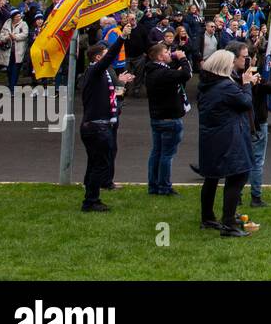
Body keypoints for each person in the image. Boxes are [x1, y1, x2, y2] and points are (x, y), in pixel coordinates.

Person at [197, 47, 259, 236]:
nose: (233, 65)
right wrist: (247, 84)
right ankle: (229, 223)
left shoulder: (207, 85)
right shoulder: (225, 86)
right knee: (238, 175)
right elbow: (246, 103)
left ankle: (208, 218)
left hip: (211, 136)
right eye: (231, 62)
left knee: (212, 177)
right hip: (228, 137)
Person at [80, 41, 134, 211]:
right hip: (97, 127)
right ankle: (91, 201)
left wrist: (121, 83)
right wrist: (122, 38)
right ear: (97, 58)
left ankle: (90, 198)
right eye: (105, 53)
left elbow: (112, 94)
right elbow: (110, 56)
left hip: (98, 125)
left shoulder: (101, 74)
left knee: (94, 163)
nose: (110, 56)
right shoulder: (95, 71)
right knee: (99, 165)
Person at [144, 41, 191, 196]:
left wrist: (176, 63)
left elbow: (174, 74)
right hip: (169, 118)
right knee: (166, 155)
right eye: (166, 51)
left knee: (156, 152)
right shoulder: (163, 73)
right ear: (159, 56)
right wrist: (183, 58)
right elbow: (185, 74)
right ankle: (164, 186)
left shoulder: (152, 72)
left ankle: (153, 185)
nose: (169, 53)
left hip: (157, 117)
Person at [248, 45, 271, 208]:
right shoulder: (256, 79)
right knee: (257, 161)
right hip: (258, 123)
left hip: (244, 123)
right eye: (254, 57)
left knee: (243, 159)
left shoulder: (237, 77)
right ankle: (256, 196)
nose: (256, 60)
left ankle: (238, 194)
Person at [0, 8, 29, 91]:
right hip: (8, 51)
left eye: (19, 16)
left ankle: (12, 88)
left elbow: (25, 34)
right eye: (16, 16)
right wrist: (7, 37)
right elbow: (1, 35)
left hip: (18, 51)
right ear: (12, 17)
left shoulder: (23, 24)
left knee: (15, 70)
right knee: (9, 70)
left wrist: (15, 37)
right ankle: (11, 85)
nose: (19, 17)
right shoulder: (7, 23)